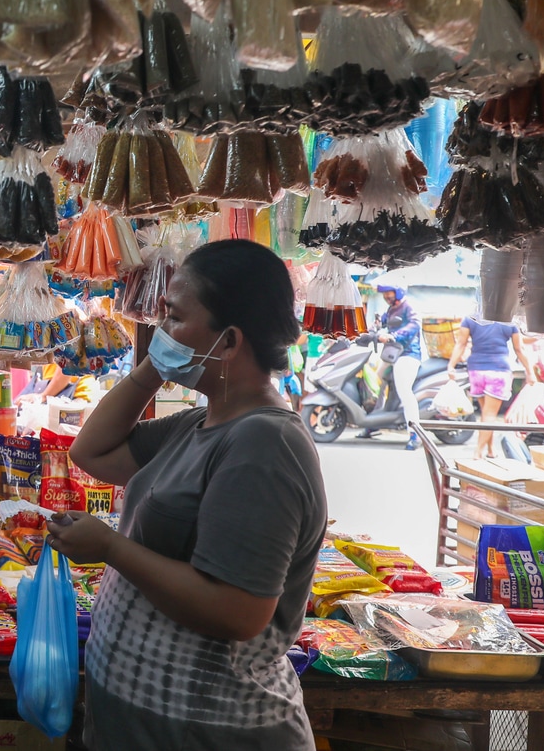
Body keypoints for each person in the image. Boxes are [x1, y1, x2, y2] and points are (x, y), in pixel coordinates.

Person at [49, 240, 326, 751]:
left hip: (213, 732)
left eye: (174, 318)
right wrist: (155, 366)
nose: (160, 332)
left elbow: (239, 612)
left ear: (228, 342)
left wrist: (110, 548)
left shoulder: (265, 443)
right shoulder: (199, 422)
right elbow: (91, 452)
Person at [449, 314, 536, 458]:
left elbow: (460, 344)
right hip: (499, 371)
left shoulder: (471, 318)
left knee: (486, 413)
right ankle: (478, 451)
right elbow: (519, 349)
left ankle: (490, 450)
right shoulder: (508, 320)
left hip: (476, 370)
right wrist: (530, 371)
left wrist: (451, 366)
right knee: (489, 414)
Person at [375, 282, 424, 449]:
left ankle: (415, 434)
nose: (386, 297)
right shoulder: (390, 309)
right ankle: (372, 423)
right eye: (385, 295)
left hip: (408, 355)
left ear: (398, 291)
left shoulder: (408, 307)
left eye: (389, 293)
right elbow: (382, 322)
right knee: (376, 381)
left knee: (404, 391)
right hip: (392, 354)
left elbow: (414, 324)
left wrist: (395, 335)